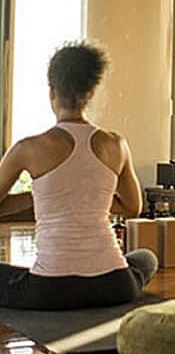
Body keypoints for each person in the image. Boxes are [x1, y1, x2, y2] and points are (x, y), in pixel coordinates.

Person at [0, 42, 157, 309]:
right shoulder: (116, 144)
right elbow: (133, 208)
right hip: (115, 286)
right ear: (91, 92)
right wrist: (92, 201)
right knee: (146, 258)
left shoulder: (28, 148)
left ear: (52, 91)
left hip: (50, 291)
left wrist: (36, 196)